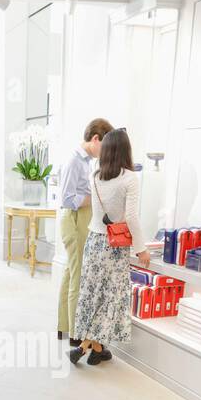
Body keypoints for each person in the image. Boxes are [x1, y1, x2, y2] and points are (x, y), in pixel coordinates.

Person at [71, 128, 149, 366]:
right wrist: (141, 248)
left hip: (93, 242)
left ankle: (97, 349)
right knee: (109, 298)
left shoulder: (96, 177)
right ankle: (86, 347)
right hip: (115, 246)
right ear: (126, 150)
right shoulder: (129, 178)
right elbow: (132, 217)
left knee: (92, 295)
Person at [57, 117, 113, 346]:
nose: (106, 151)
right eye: (105, 146)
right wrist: (96, 196)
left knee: (71, 273)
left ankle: (64, 326)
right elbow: (67, 199)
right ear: (95, 138)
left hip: (80, 219)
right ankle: (76, 333)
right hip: (75, 219)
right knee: (78, 276)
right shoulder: (74, 161)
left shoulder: (86, 161)